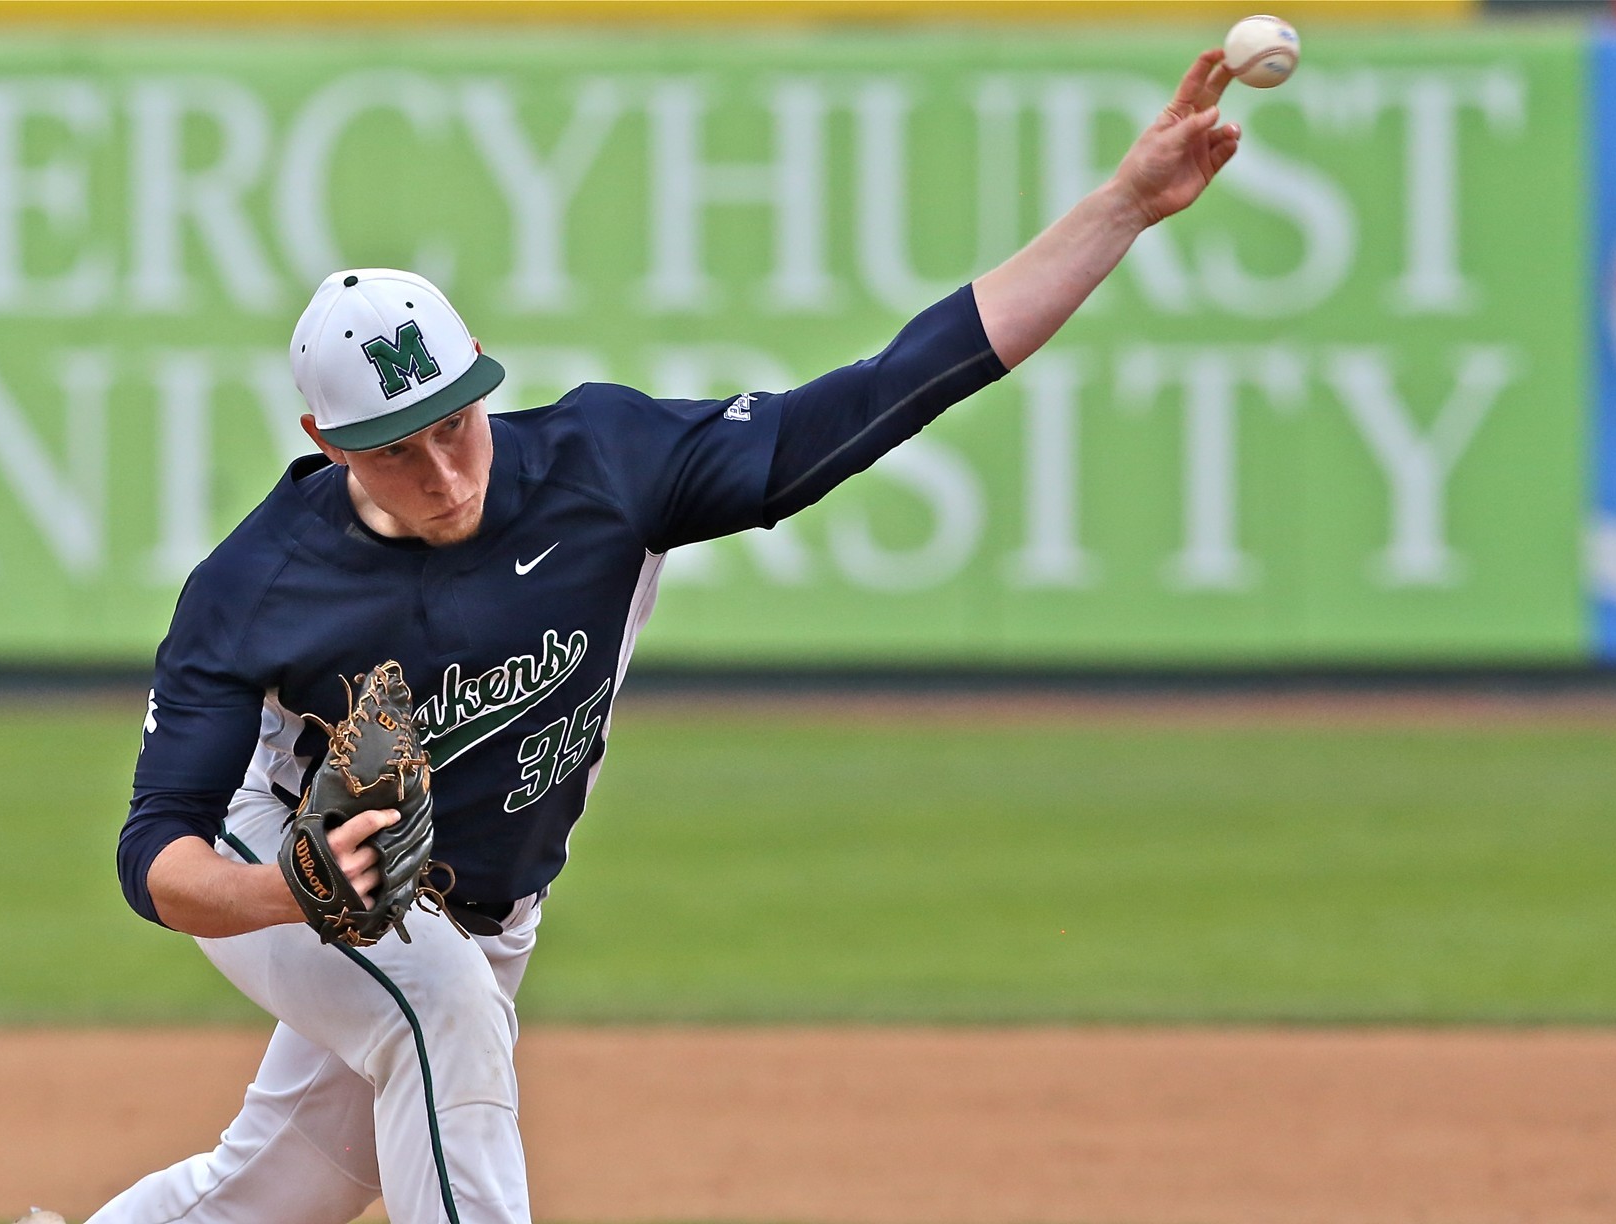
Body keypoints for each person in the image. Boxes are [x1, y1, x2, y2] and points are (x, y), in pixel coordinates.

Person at [78, 49, 1240, 1224]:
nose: (442, 470)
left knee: (272, 1196)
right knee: (441, 1016)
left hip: (492, 907)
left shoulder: (605, 470)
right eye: (394, 448)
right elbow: (155, 853)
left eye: (455, 422)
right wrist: (288, 889)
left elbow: (891, 384)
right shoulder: (258, 582)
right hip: (290, 859)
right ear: (325, 442)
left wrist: (1123, 207)